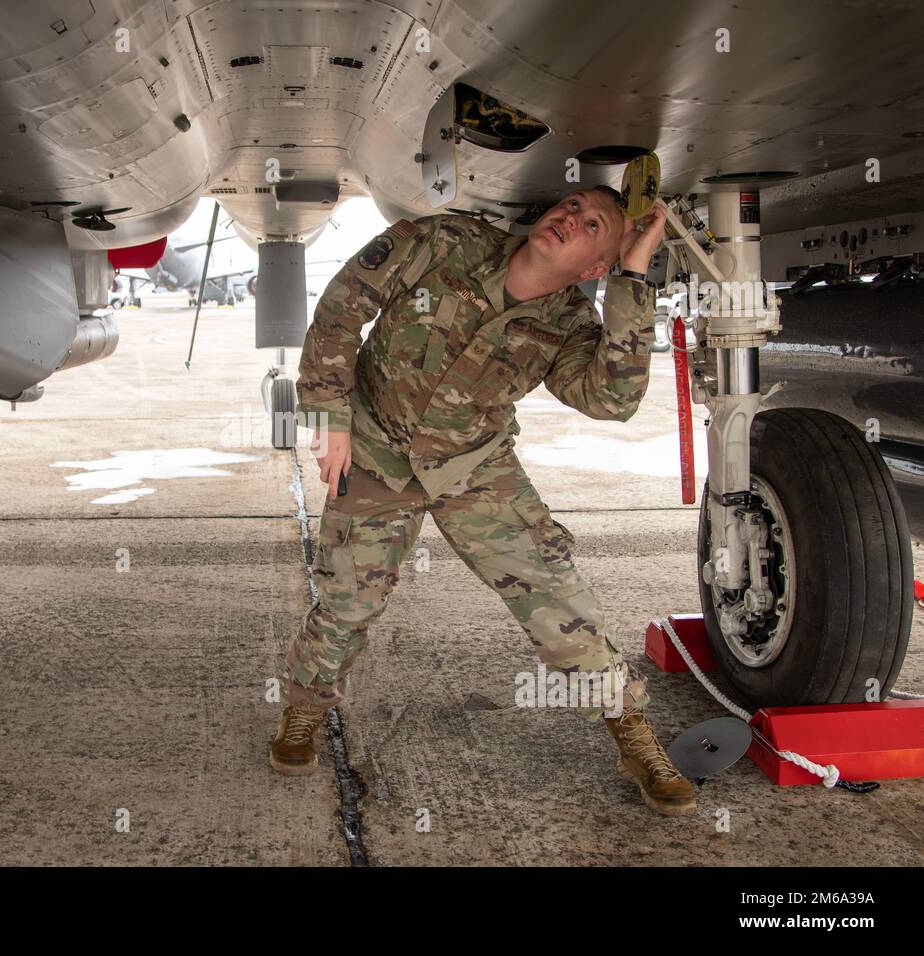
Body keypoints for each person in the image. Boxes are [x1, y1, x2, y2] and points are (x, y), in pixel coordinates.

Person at [271, 187, 695, 816]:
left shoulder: (570, 324)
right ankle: (303, 712)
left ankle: (633, 736)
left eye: (591, 225)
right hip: (376, 448)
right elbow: (342, 305)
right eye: (571, 205)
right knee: (348, 602)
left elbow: (612, 400)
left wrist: (634, 279)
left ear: (594, 268)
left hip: (472, 462)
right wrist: (327, 414)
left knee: (557, 596)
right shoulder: (447, 243)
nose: (569, 218)